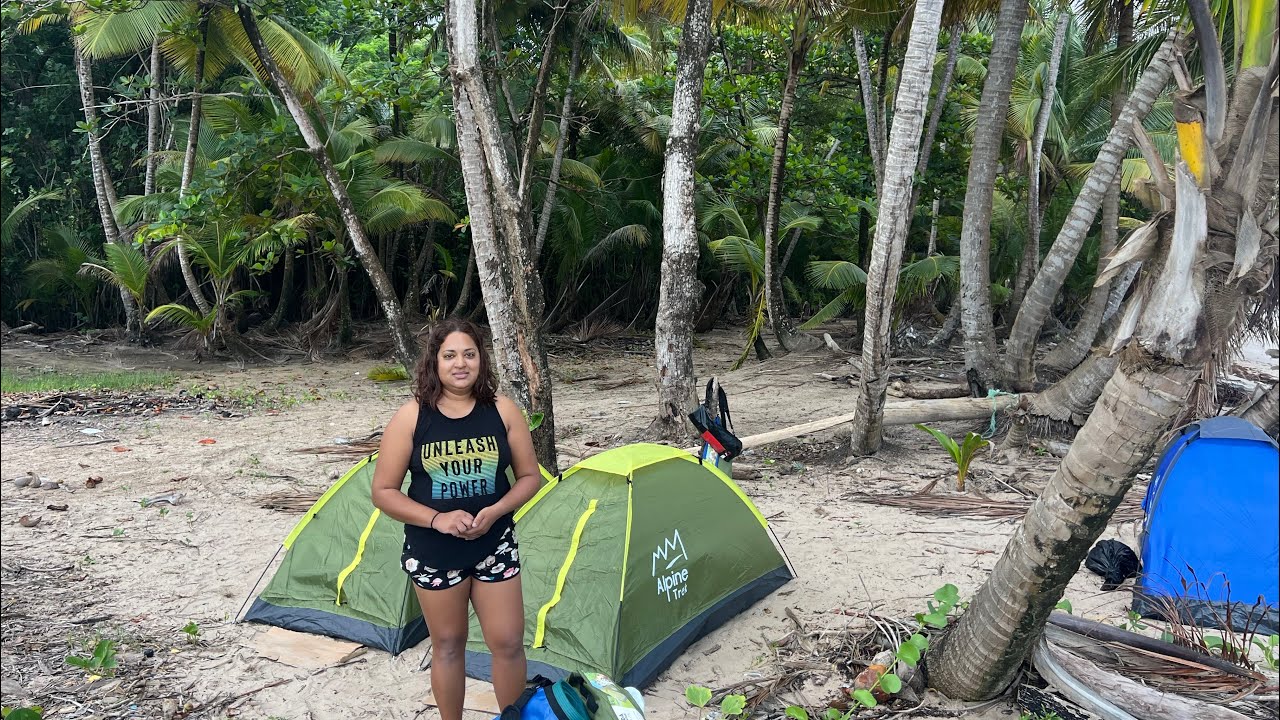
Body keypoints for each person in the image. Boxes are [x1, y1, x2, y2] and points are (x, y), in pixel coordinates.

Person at [371, 318, 541, 719]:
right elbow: (383, 492)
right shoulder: (412, 416)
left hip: (494, 544)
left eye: (469, 354)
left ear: (481, 359)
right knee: (448, 645)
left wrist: (497, 511)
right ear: (435, 362)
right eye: (450, 355)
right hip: (434, 550)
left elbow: (530, 477)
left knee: (509, 643)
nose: (460, 363)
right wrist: (437, 520)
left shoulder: (502, 410)